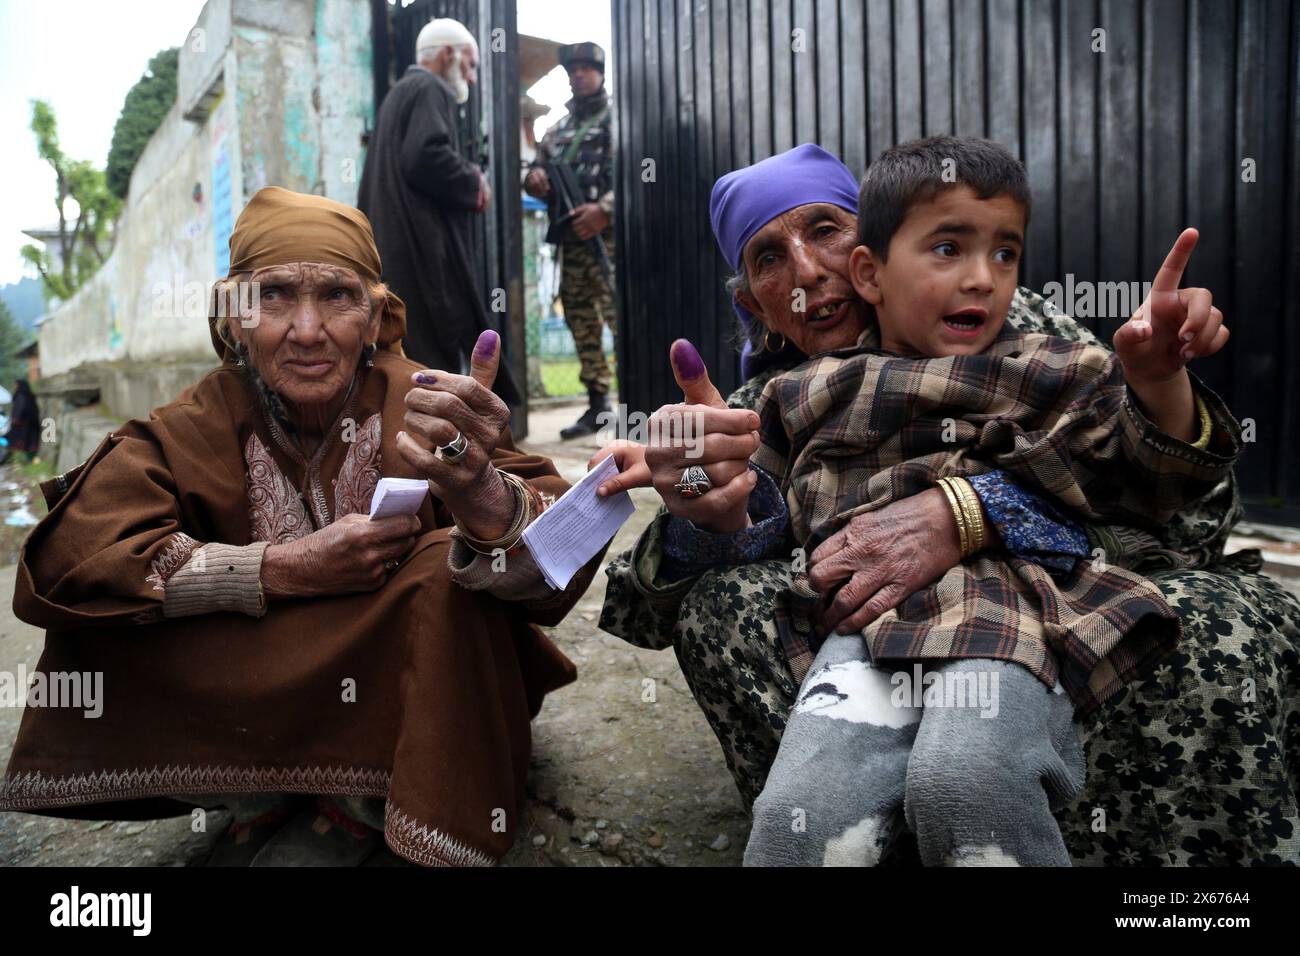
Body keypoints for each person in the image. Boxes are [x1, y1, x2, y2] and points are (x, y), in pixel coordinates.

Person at [595, 144, 1300, 865]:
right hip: (867, 641)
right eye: (769, 257)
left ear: (872, 252)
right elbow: (646, 600)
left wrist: (976, 509)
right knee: (730, 627)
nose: (807, 271)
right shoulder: (771, 397)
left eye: (826, 231)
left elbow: (1190, 510)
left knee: (1213, 627)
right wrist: (703, 509)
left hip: (1023, 614)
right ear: (754, 302)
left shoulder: (997, 323)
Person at [0, 187, 600, 867]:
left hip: (411, 691)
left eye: (338, 297)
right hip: (264, 692)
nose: (307, 330)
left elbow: (562, 550)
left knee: (442, 571)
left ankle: (367, 803)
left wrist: (481, 492)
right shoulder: (190, 425)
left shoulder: (428, 402)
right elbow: (68, 560)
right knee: (110, 597)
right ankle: (262, 792)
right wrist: (277, 569)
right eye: (275, 296)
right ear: (234, 318)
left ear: (374, 317)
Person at [358, 17, 520, 407]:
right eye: (470, 64)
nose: (473, 78)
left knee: (404, 356)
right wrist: (474, 181)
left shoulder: (399, 93)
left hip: (395, 251)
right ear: (448, 54)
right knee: (431, 355)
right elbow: (424, 156)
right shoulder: (430, 88)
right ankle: (433, 448)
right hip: (420, 253)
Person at [524, 42, 616, 439]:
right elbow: (536, 171)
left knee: (620, 316)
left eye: (586, 68)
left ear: (600, 73)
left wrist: (605, 210)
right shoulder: (557, 130)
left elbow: (640, 173)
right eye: (572, 70)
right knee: (580, 319)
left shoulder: (618, 120)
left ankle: (646, 407)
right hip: (571, 244)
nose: (578, 75)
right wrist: (535, 180)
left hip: (611, 242)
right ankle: (598, 405)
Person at [4, 379, 41, 463]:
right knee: (28, 441)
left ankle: (28, 459)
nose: (14, 387)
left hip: (24, 424)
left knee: (25, 441)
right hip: (28, 423)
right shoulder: (26, 395)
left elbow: (21, 409)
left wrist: (16, 419)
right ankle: (26, 459)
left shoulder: (22, 396)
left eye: (16, 385)